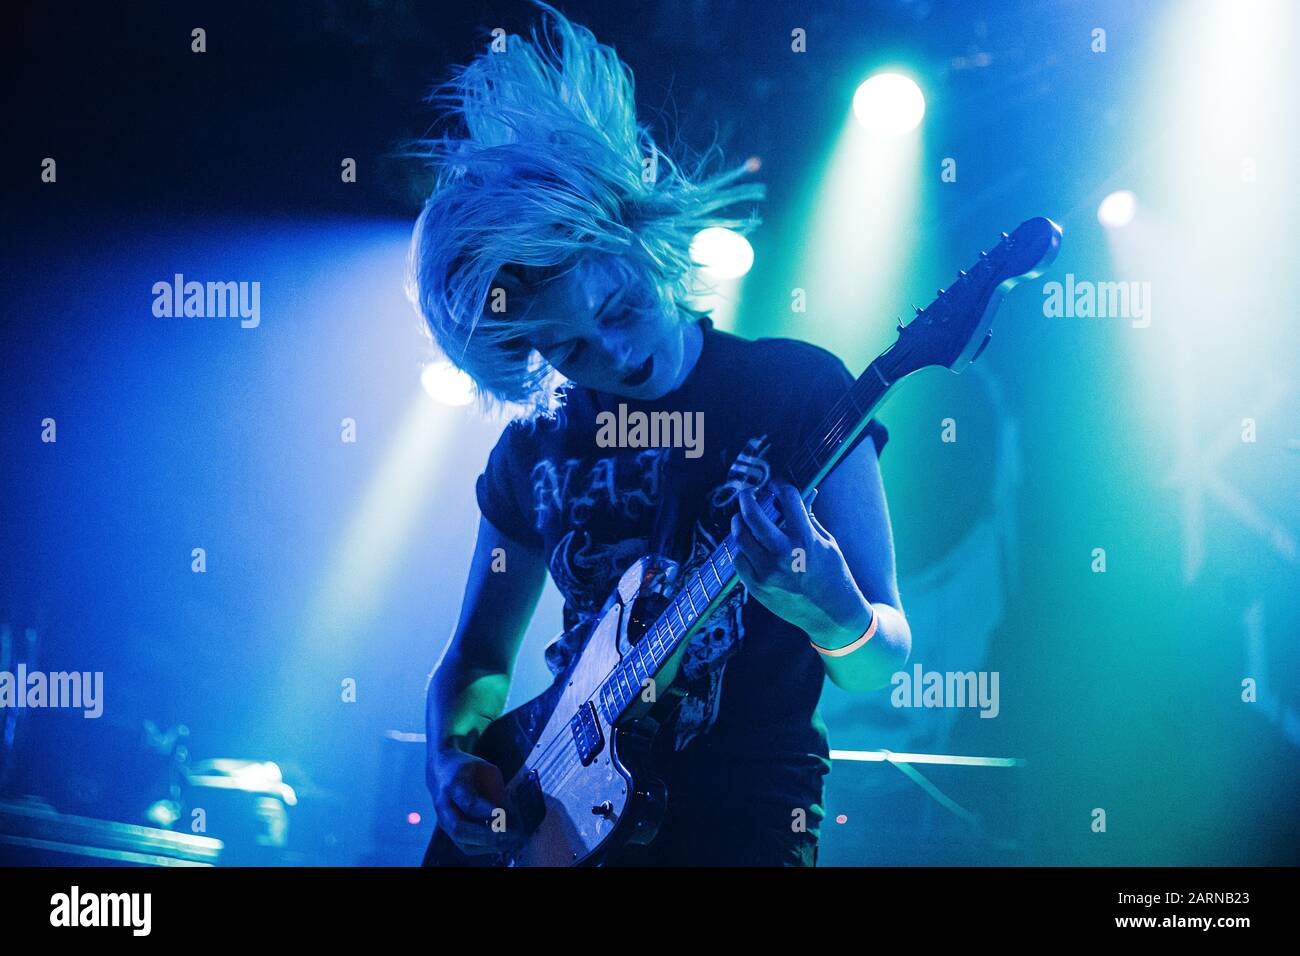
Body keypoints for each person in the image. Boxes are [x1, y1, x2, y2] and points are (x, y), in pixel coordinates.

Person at [408, 1, 910, 866]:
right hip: (553, 817)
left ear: (651, 253)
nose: (614, 352)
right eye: (566, 345)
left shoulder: (796, 392)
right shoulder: (533, 450)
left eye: (620, 307)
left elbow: (885, 659)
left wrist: (832, 612)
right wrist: (452, 758)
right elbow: (478, 657)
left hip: (744, 823)